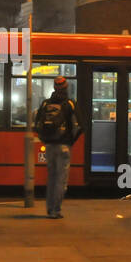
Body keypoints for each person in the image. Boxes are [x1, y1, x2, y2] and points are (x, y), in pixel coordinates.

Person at [33, 76, 83, 219]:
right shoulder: (69, 104)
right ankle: (55, 210)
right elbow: (80, 126)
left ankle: (49, 209)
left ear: (54, 88)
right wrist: (70, 141)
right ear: (66, 87)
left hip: (49, 146)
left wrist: (45, 140)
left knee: (51, 178)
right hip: (64, 146)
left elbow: (36, 124)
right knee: (61, 180)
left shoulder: (45, 104)